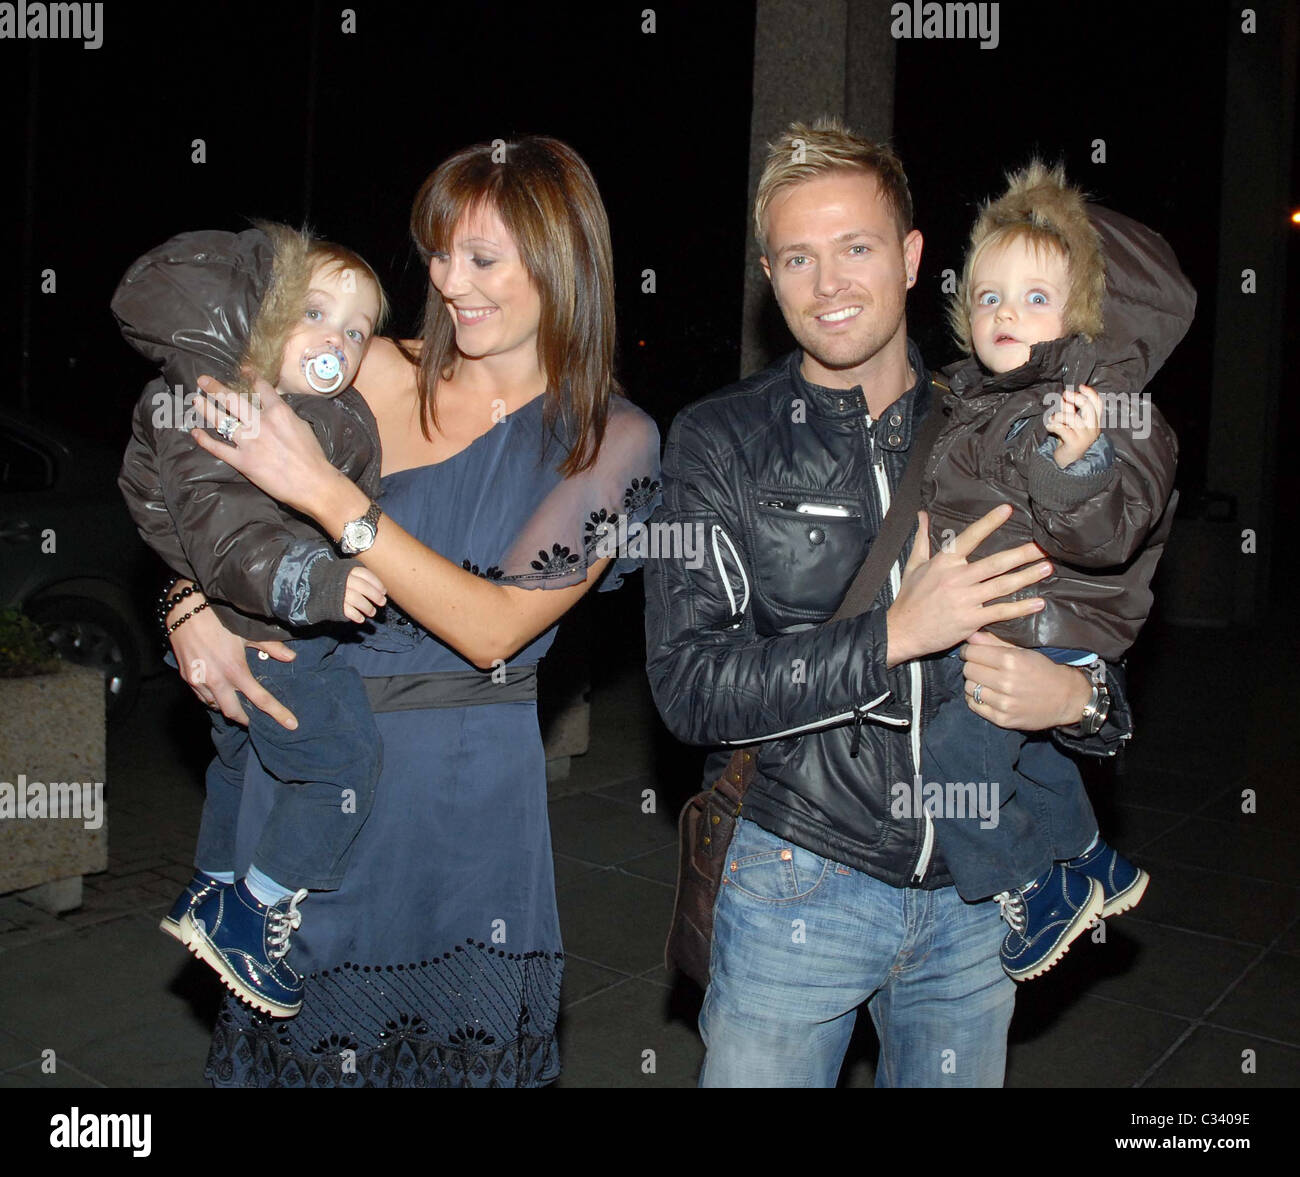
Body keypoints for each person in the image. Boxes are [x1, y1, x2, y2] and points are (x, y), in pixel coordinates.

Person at [156, 136, 662, 1086]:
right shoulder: (367, 365)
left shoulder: (613, 440)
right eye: (439, 251)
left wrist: (323, 492)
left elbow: (494, 628)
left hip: (460, 814)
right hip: (302, 766)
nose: (449, 280)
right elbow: (192, 447)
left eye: (482, 258)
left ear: (563, 262)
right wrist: (186, 599)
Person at [644, 117, 1135, 1088]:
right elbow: (688, 687)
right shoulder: (718, 440)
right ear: (768, 273)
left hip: (979, 892)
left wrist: (1078, 702)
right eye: (797, 257)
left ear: (912, 257)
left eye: (856, 248)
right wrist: (896, 635)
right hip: (797, 876)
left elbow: (1098, 613)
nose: (828, 285)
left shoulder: (1002, 425)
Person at [919, 160, 1192, 981]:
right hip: (1011, 631)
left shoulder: (1100, 403)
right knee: (1033, 762)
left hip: (1054, 632)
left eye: (1036, 298)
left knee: (951, 760)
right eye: (989, 294)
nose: (1005, 313)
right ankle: (1091, 859)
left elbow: (1110, 529)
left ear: (1082, 314)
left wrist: (1078, 462)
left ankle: (1035, 885)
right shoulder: (979, 398)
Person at [115, 224, 391, 1018]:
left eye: (356, 329)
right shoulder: (225, 401)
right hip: (275, 626)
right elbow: (225, 525)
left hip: (253, 620)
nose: (336, 338)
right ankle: (252, 907)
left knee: (237, 763)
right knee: (341, 767)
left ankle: (213, 882)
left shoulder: (313, 408)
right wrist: (315, 580)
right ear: (261, 320)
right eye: (315, 312)